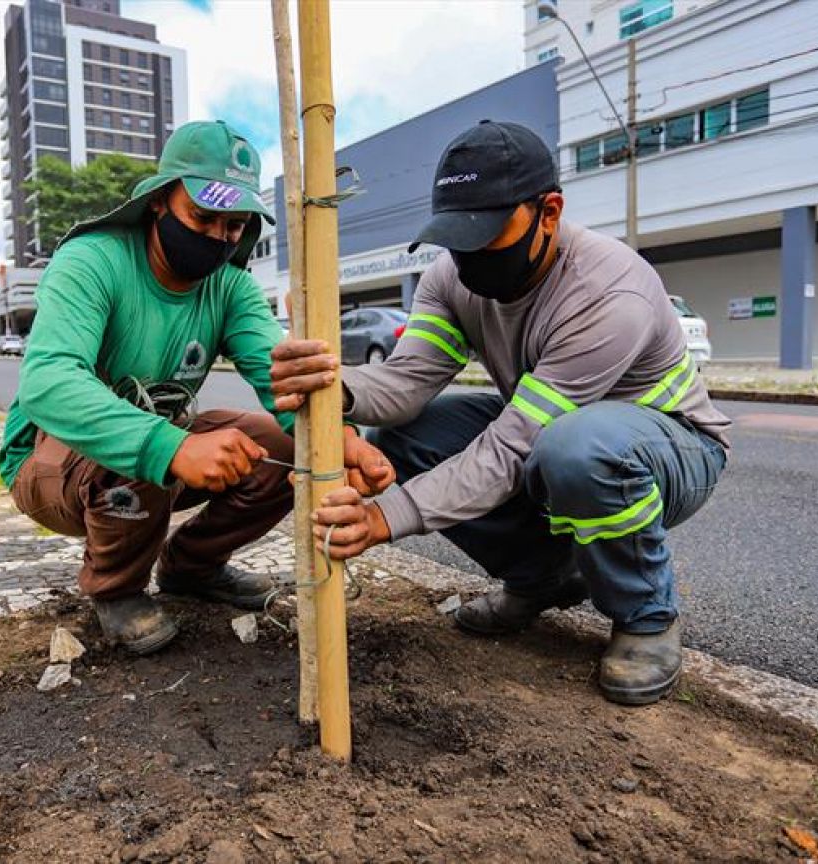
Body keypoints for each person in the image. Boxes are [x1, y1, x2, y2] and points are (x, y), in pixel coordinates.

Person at [272, 121, 732, 705]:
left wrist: (385, 516)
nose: (470, 254)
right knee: (408, 436)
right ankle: (541, 579)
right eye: (455, 236)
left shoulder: (609, 290)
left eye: (486, 232)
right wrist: (336, 388)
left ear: (549, 211)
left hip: (670, 446)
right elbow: (409, 379)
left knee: (575, 448)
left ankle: (646, 613)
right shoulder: (449, 279)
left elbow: (515, 445)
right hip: (550, 424)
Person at [0, 120, 391, 656]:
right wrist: (173, 445)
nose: (217, 237)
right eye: (203, 216)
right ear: (160, 201)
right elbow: (48, 383)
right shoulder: (93, 260)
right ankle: (117, 588)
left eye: (234, 226)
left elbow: (278, 379)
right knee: (144, 448)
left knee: (280, 446)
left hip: (151, 449)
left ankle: (192, 567)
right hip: (47, 461)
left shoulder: (231, 287)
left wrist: (338, 438)